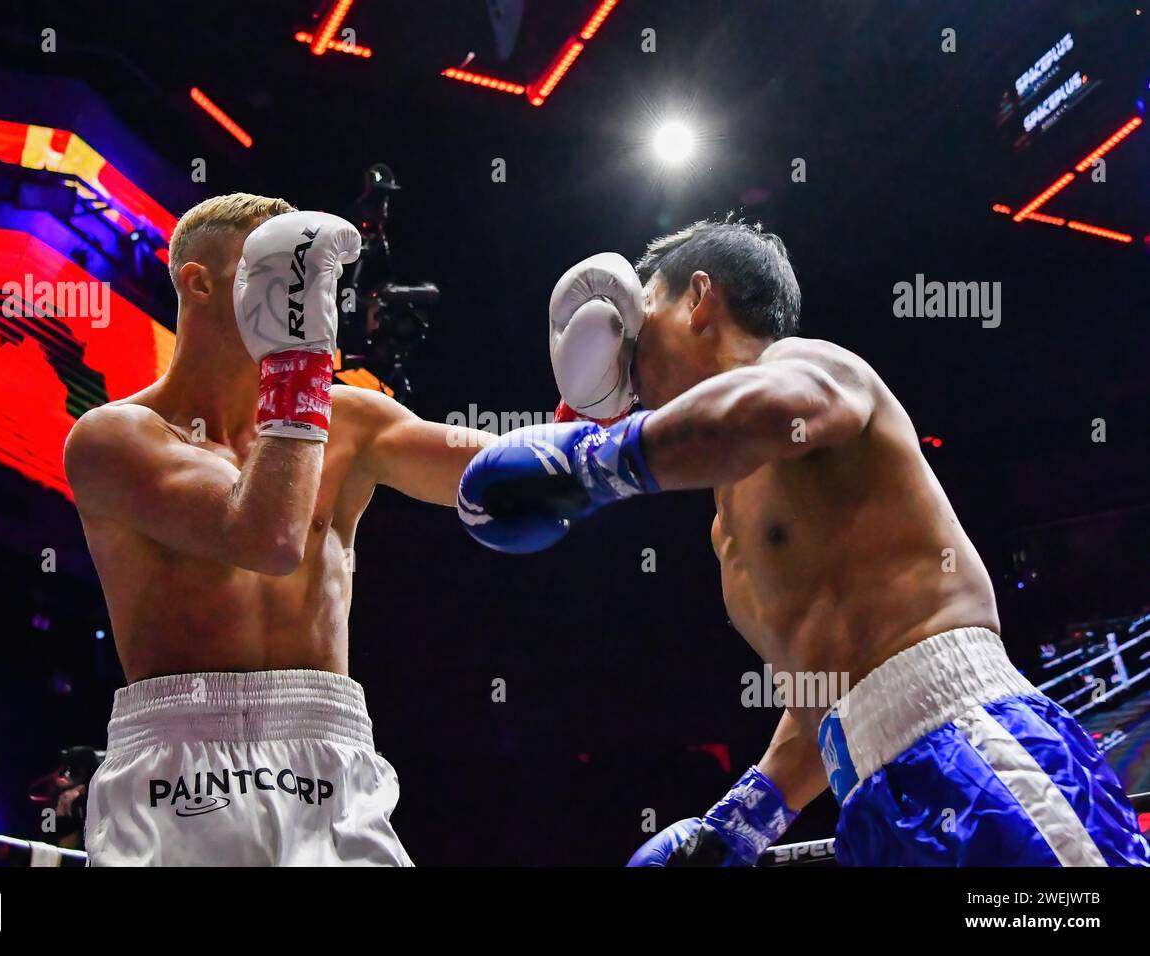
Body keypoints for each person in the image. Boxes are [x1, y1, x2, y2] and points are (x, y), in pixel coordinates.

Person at [457, 217, 1150, 866]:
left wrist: (596, 463)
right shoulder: (725, 522)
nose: (629, 359)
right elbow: (831, 691)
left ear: (700, 298)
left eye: (647, 313)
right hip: (875, 801)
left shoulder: (807, 367)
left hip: (974, 737)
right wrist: (742, 820)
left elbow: (770, 410)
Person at [64, 193, 489, 865]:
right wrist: (299, 367)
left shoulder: (353, 419)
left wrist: (599, 408)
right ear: (197, 282)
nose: (295, 292)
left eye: (302, 276)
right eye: (268, 269)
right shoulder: (112, 439)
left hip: (330, 753)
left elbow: (508, 477)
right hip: (180, 763)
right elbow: (266, 539)